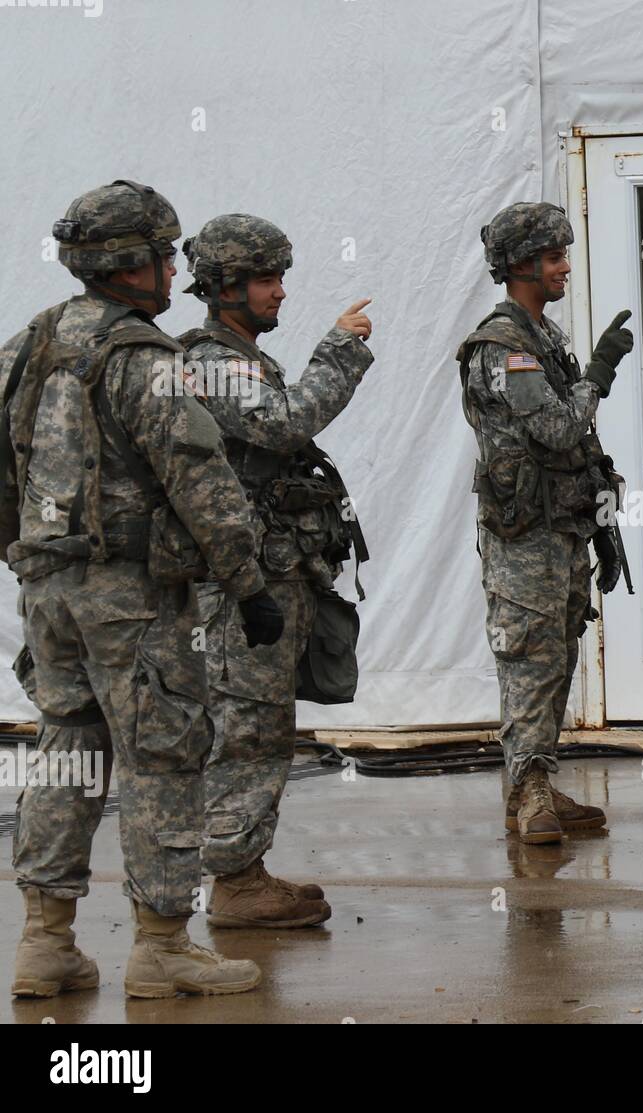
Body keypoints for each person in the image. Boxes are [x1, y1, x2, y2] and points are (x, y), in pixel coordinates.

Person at [4, 180, 282, 998]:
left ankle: (44, 943)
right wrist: (248, 581)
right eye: (164, 255)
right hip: (133, 598)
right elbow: (201, 479)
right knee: (163, 758)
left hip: (50, 588)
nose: (172, 270)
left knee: (68, 751)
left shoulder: (32, 340)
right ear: (128, 265)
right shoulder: (146, 360)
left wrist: (25, 552)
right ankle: (161, 945)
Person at [179, 214, 373, 928]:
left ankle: (246, 868)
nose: (280, 292)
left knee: (264, 720)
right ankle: (232, 879)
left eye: (280, 276)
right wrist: (340, 349)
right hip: (239, 583)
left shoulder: (236, 355)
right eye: (265, 278)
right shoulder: (213, 359)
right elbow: (284, 423)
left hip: (267, 574)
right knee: (248, 724)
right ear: (224, 283)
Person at [456, 201, 633, 844]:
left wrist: (601, 521)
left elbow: (575, 449)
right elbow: (559, 429)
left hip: (561, 526)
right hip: (523, 535)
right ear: (524, 265)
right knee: (529, 656)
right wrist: (599, 376)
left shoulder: (542, 337)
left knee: (558, 654)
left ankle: (536, 781)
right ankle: (528, 790)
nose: (565, 267)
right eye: (554, 257)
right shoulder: (505, 347)